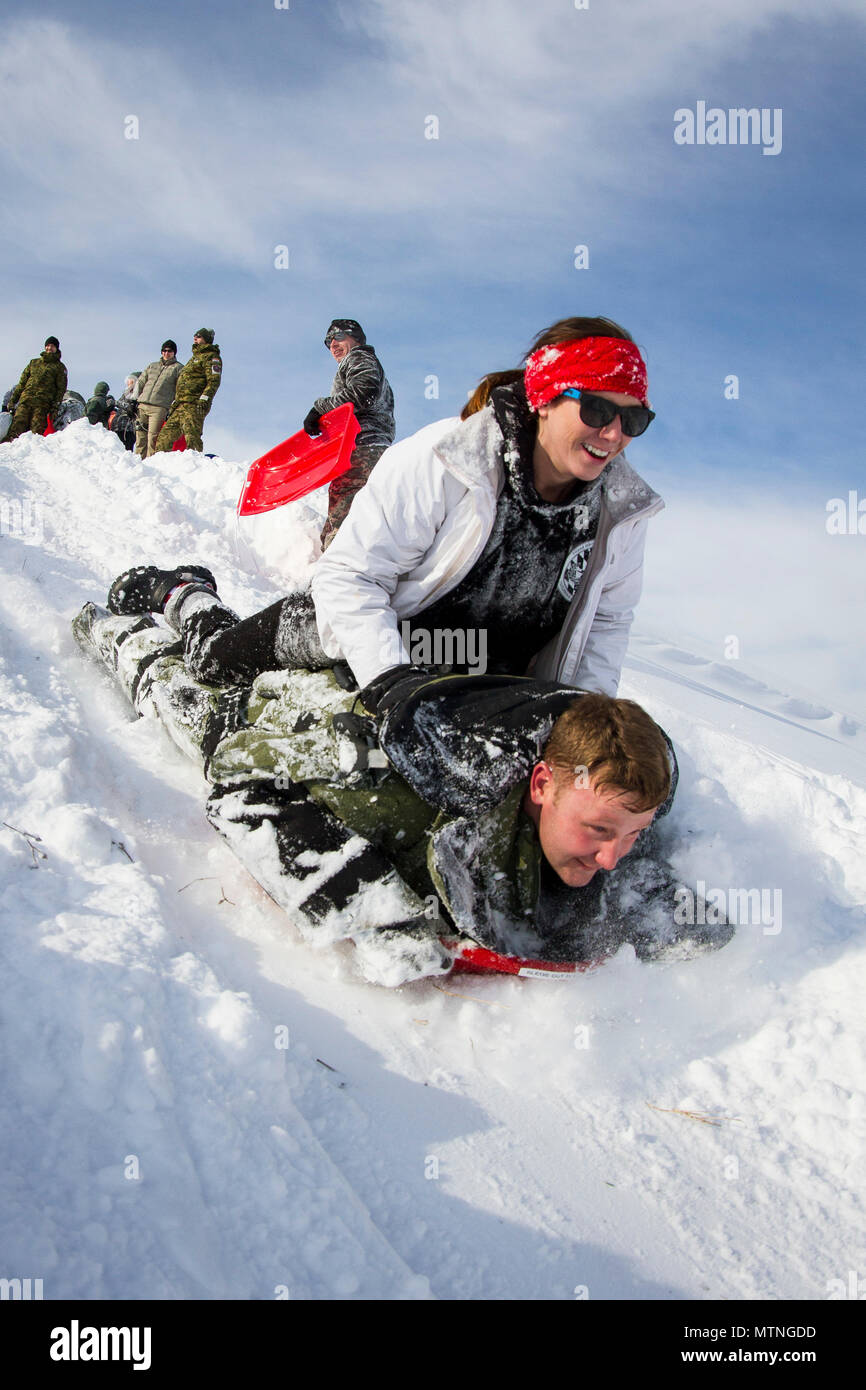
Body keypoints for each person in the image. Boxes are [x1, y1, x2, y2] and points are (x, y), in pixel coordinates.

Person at [71, 596, 732, 986]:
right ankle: (144, 605)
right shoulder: (400, 789)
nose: (612, 857)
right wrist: (371, 908)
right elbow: (244, 787)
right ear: (540, 785)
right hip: (287, 722)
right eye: (596, 832)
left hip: (395, 703)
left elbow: (646, 882)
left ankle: (191, 601)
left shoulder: (611, 797)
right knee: (181, 689)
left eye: (630, 835)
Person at [106, 315, 661, 701]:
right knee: (215, 665)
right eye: (595, 408)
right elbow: (348, 577)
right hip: (356, 636)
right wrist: (393, 683)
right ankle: (183, 593)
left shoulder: (618, 513)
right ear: (543, 397)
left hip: (476, 676)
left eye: (633, 420)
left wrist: (578, 723)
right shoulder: (447, 460)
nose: (613, 434)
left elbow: (607, 622)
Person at [303, 318, 395, 549]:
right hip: (372, 449)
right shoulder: (363, 362)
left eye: (339, 336)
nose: (333, 344)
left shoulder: (360, 357)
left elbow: (364, 393)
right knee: (365, 513)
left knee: (345, 515)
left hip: (362, 449)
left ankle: (337, 574)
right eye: (328, 341)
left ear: (356, 338)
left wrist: (320, 408)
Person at [153, 329, 221, 453]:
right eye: (195, 336)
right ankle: (161, 465)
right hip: (180, 405)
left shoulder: (212, 357)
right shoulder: (193, 358)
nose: (195, 338)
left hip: (194, 404)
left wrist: (204, 398)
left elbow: (213, 381)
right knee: (164, 438)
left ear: (206, 339)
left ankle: (195, 464)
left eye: (199, 336)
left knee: (192, 437)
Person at [4, 337, 68, 442]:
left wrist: (54, 408)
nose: (49, 348)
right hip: (26, 400)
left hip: (43, 404)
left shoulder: (60, 367)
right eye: (48, 345)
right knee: (16, 429)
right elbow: (22, 383)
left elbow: (61, 389)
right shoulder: (33, 363)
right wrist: (13, 400)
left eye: (52, 346)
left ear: (56, 348)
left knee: (36, 435)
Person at [135, 341, 184, 457]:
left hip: (159, 407)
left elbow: (180, 389)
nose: (167, 353)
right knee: (140, 437)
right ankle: (137, 462)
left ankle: (150, 463)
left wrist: (173, 407)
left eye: (170, 351)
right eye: (165, 350)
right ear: (162, 352)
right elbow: (140, 382)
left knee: (153, 438)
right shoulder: (152, 366)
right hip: (142, 404)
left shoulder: (178, 368)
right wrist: (134, 399)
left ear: (174, 353)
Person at [110, 372, 141, 451]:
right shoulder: (126, 393)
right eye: (128, 381)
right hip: (117, 426)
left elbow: (131, 408)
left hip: (128, 428)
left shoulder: (138, 394)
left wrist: (116, 403)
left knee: (126, 451)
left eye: (131, 380)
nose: (128, 383)